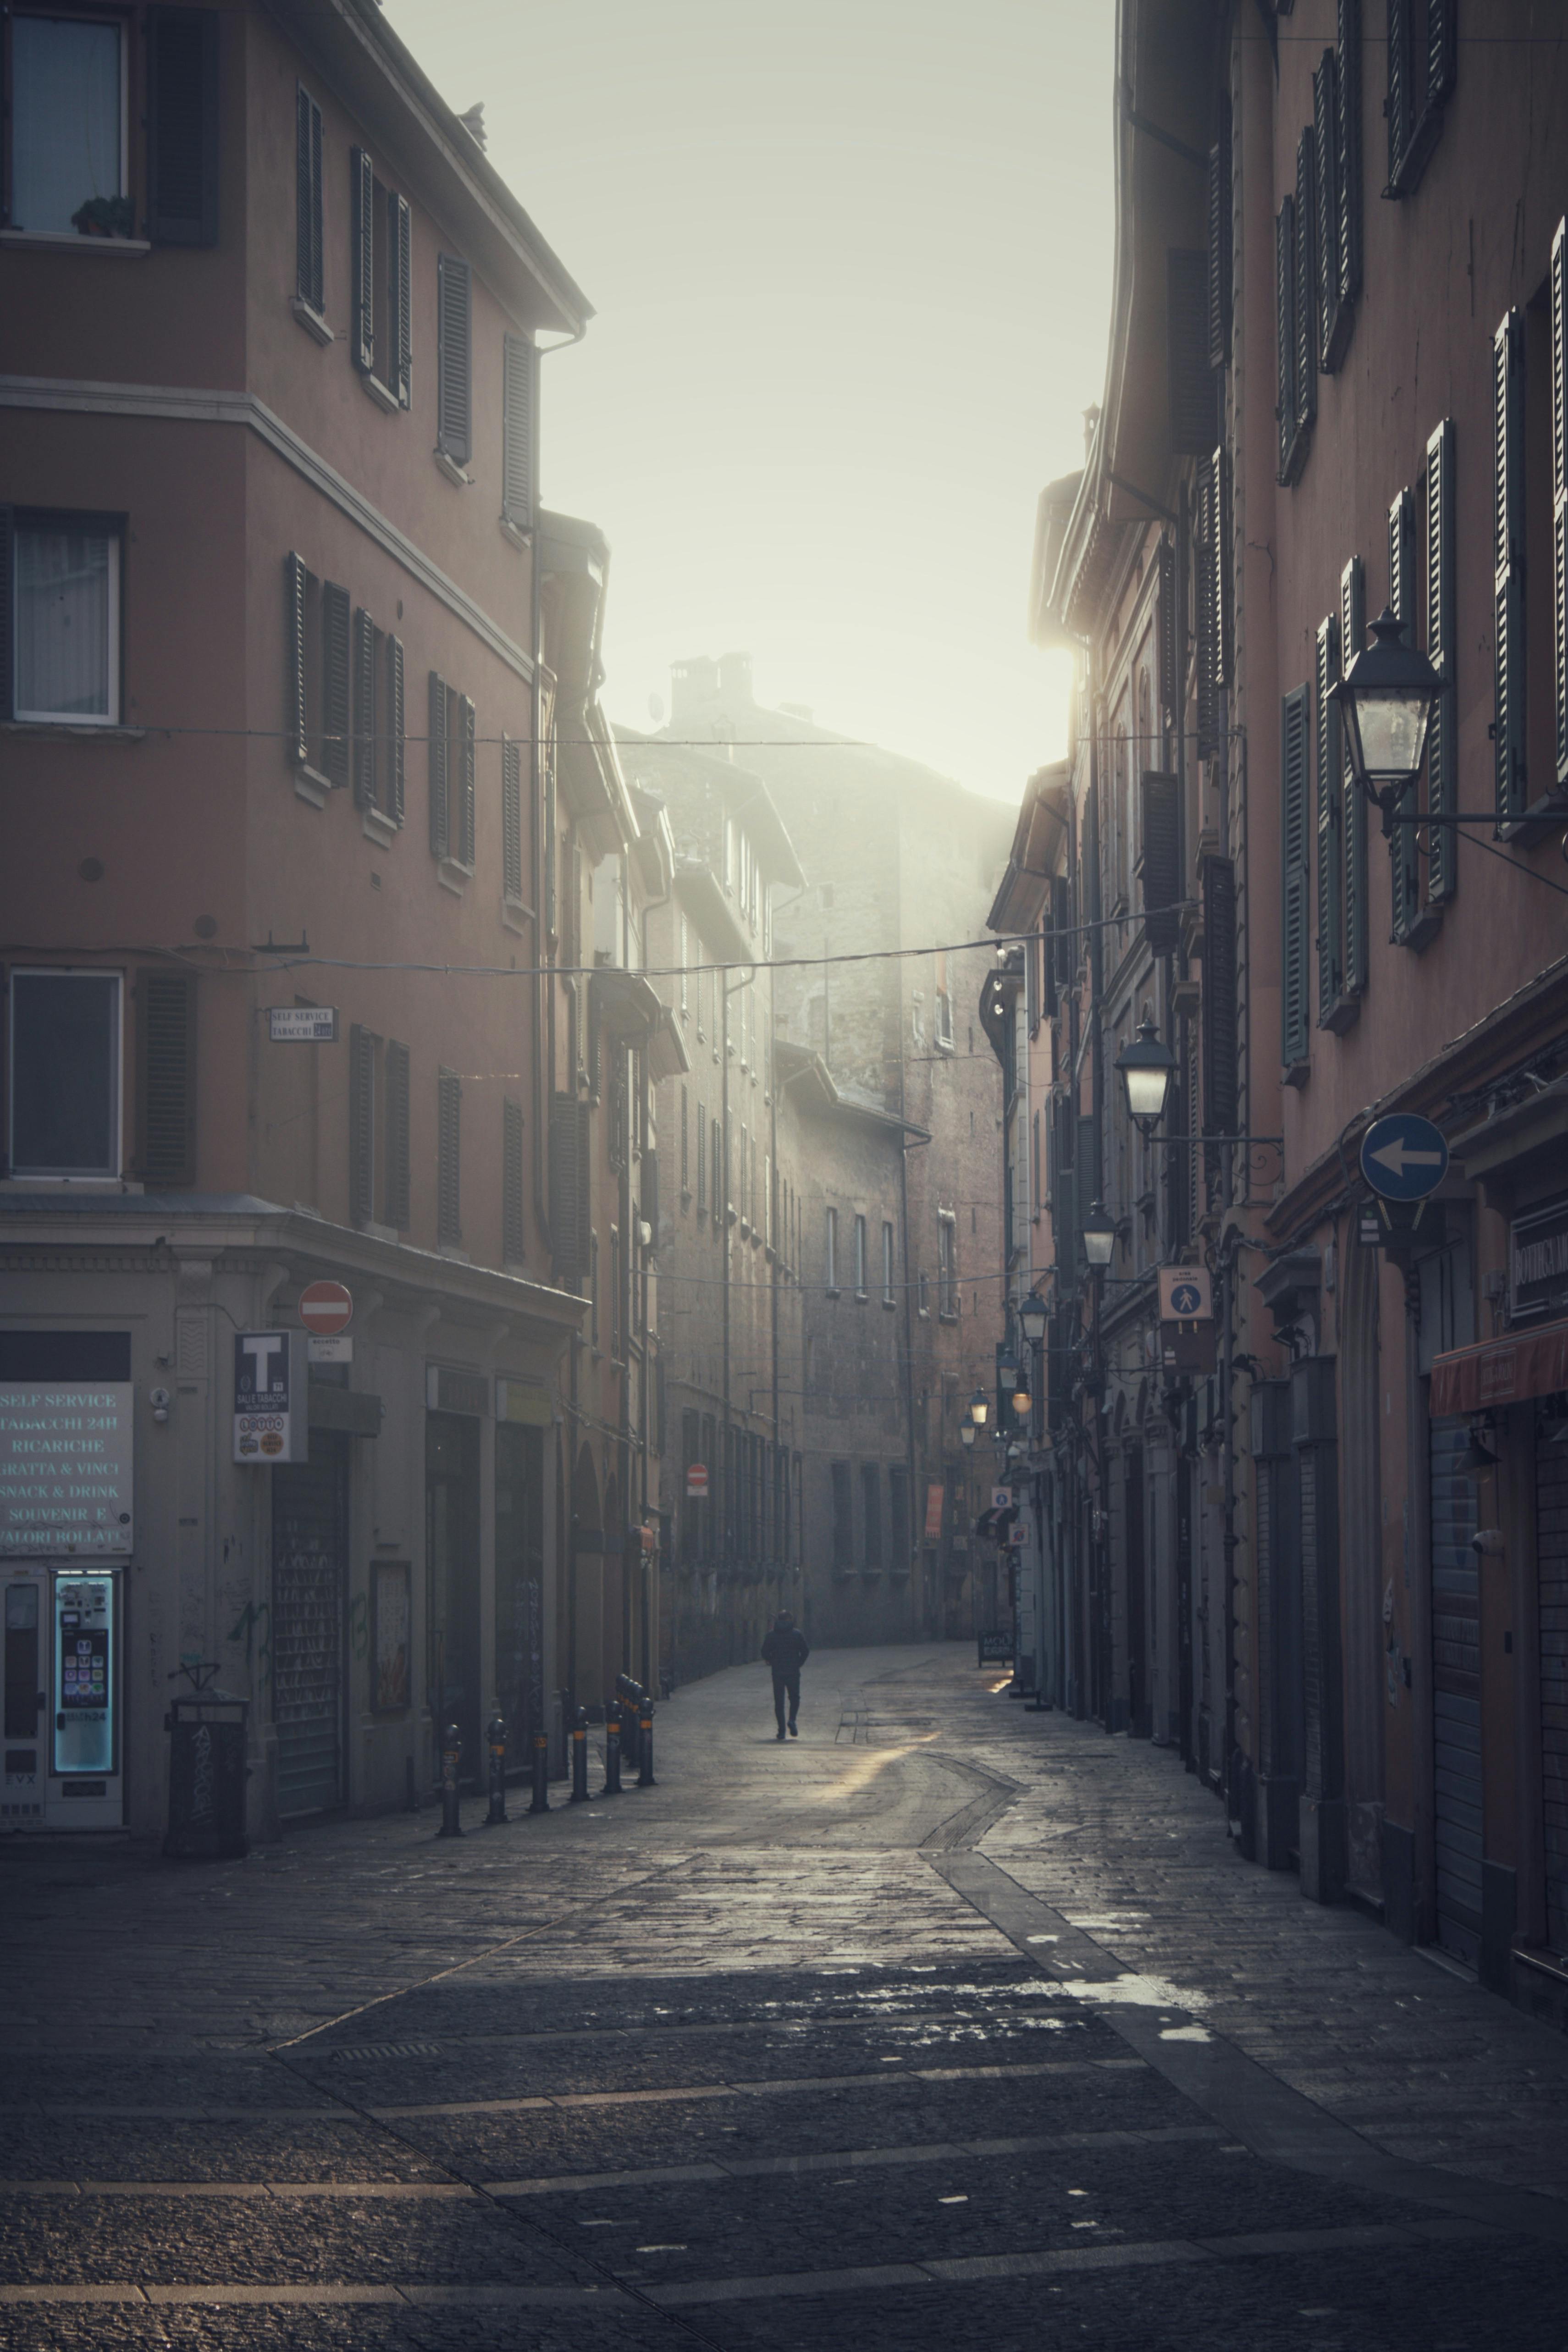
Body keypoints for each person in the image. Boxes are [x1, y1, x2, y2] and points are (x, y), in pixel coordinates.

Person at [760, 1611, 810, 1741]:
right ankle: (792, 1720)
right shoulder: (797, 1634)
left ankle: (781, 1731)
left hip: (778, 1672)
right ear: (790, 1620)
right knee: (794, 1698)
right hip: (793, 1671)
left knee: (779, 1702)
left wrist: (771, 1660)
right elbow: (805, 1651)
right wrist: (798, 1663)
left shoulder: (771, 1635)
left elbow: (764, 1652)